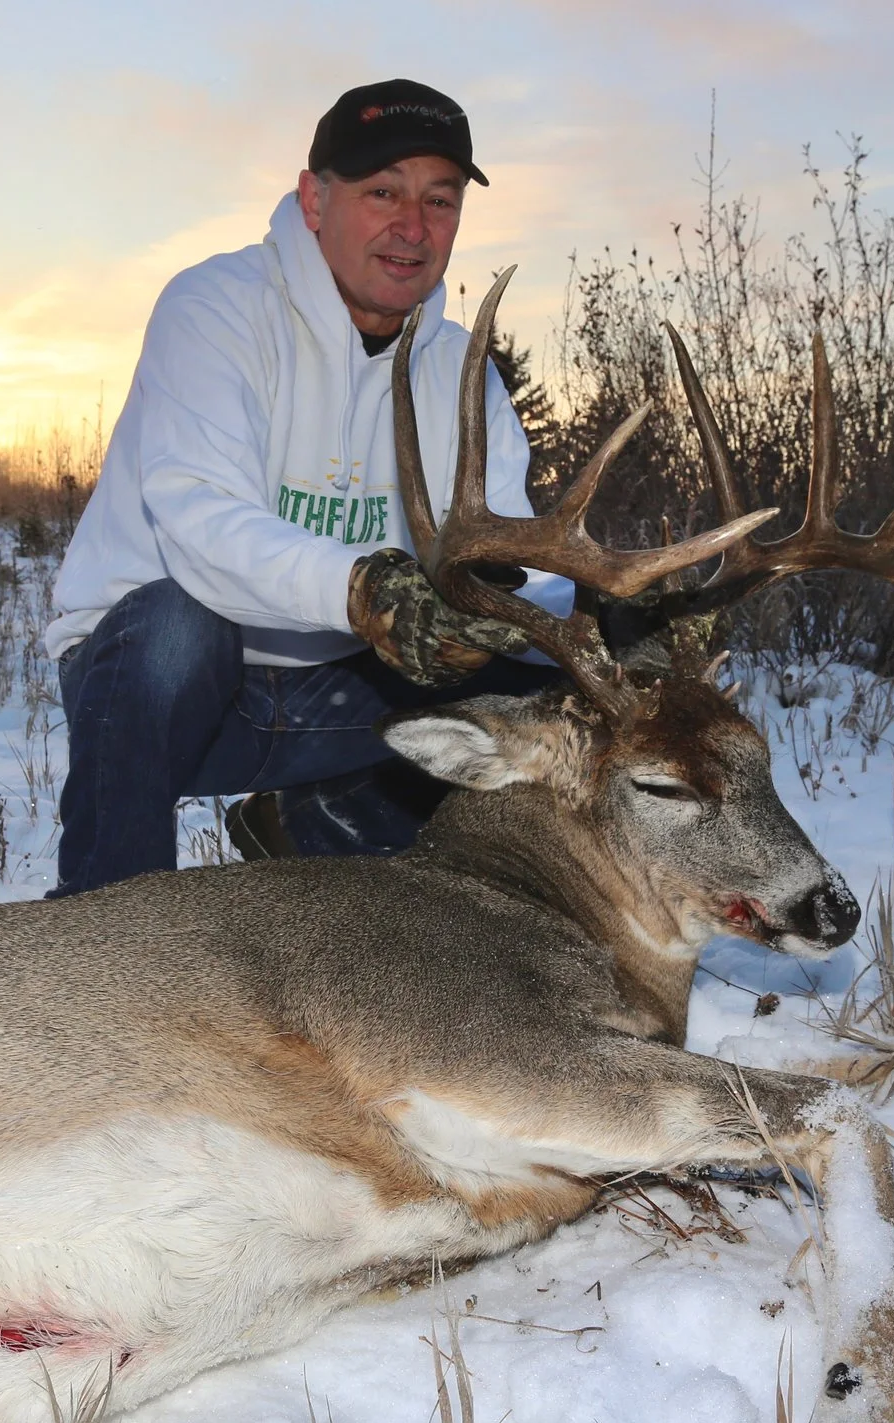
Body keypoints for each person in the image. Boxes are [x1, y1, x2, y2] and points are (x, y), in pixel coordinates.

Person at [44, 79, 561, 897]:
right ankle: (105, 918)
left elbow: (522, 564)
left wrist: (606, 618)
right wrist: (364, 591)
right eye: (382, 192)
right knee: (180, 626)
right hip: (168, 695)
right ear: (314, 200)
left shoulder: (462, 370)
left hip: (346, 693)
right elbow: (201, 527)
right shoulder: (216, 308)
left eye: (440, 200)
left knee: (547, 692)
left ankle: (322, 821)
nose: (413, 227)